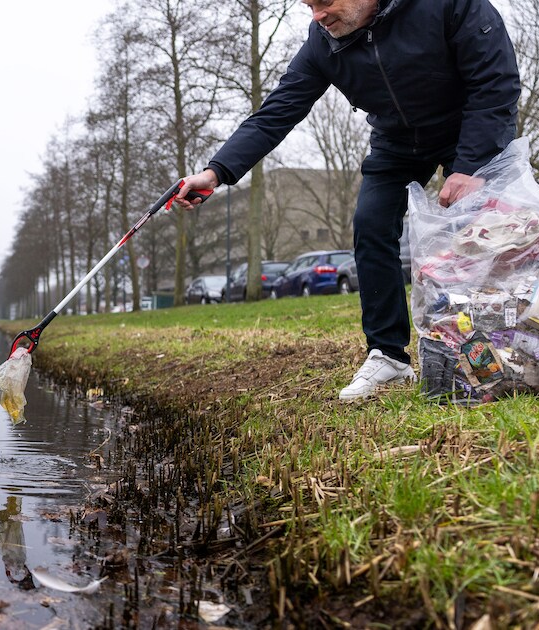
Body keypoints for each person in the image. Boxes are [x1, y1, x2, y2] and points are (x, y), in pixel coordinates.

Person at [173, 0, 520, 400]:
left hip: (469, 124)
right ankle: (389, 355)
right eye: (309, 5)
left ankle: (506, 344)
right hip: (396, 141)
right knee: (371, 225)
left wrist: (470, 165)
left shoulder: (445, 5)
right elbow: (278, 112)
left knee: (487, 230)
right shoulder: (322, 41)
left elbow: (496, 81)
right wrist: (216, 173)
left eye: (325, 1)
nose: (317, 15)